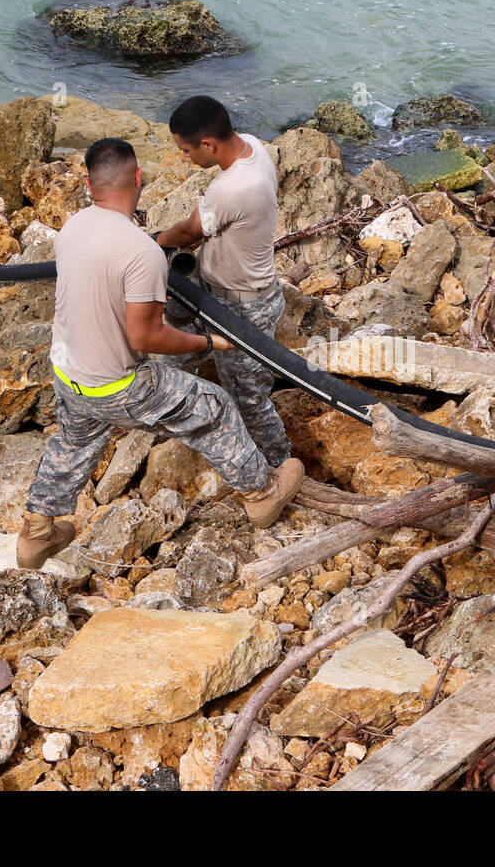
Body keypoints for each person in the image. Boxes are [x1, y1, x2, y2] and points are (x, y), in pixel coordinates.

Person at [17, 137, 304, 569]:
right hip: (117, 386)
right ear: (138, 177)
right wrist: (209, 342)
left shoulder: (73, 227)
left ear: (90, 184)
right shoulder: (140, 251)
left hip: (68, 373)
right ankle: (261, 494)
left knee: (74, 442)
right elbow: (146, 338)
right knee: (216, 406)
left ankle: (37, 531)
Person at [155, 95, 293, 468]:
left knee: (249, 400)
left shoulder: (230, 188)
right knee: (181, 341)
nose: (185, 157)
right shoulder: (253, 147)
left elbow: (188, 232)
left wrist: (157, 241)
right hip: (221, 288)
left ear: (208, 144)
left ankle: (283, 467)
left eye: (185, 150)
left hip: (243, 305)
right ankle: (181, 405)